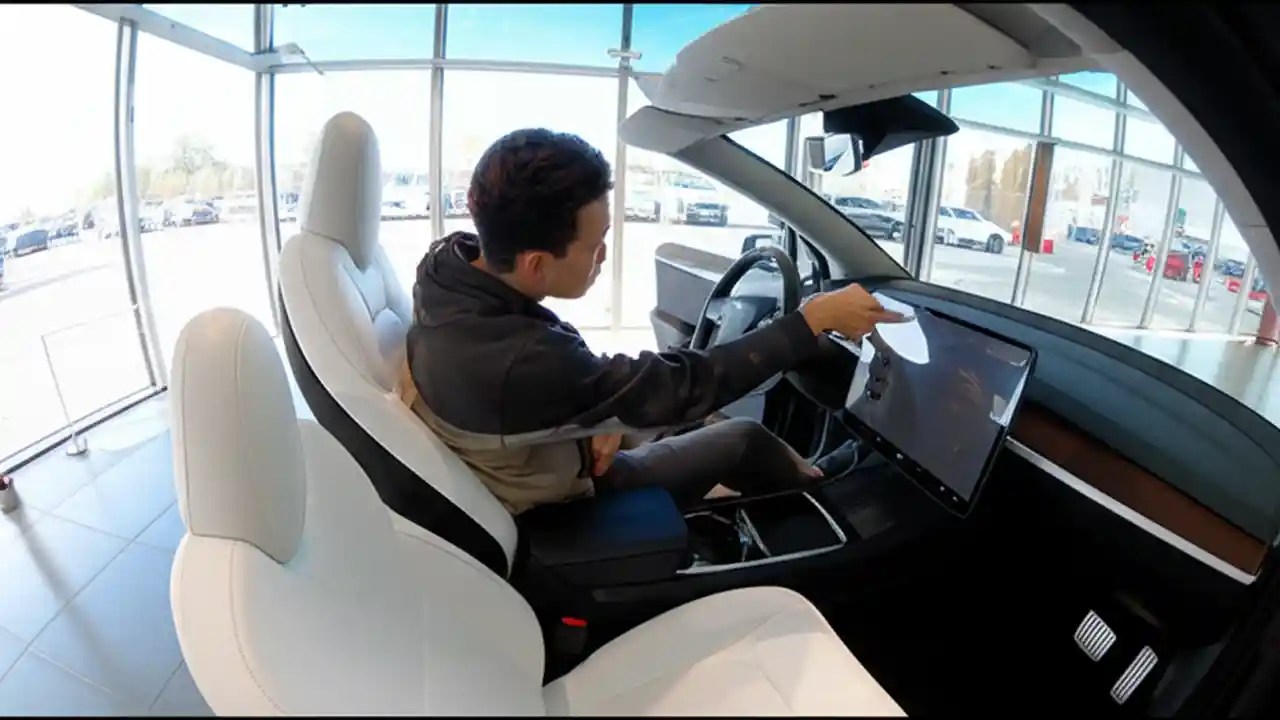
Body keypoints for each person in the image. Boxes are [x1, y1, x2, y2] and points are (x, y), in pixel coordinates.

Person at [403, 128, 905, 516]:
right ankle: (828, 493)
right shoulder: (518, 363)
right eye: (595, 243)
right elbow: (679, 385)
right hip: (570, 503)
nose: (604, 254)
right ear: (536, 263)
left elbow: (562, 380)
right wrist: (807, 322)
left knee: (705, 421)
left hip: (549, 445)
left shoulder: (446, 271)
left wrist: (585, 415)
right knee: (741, 439)